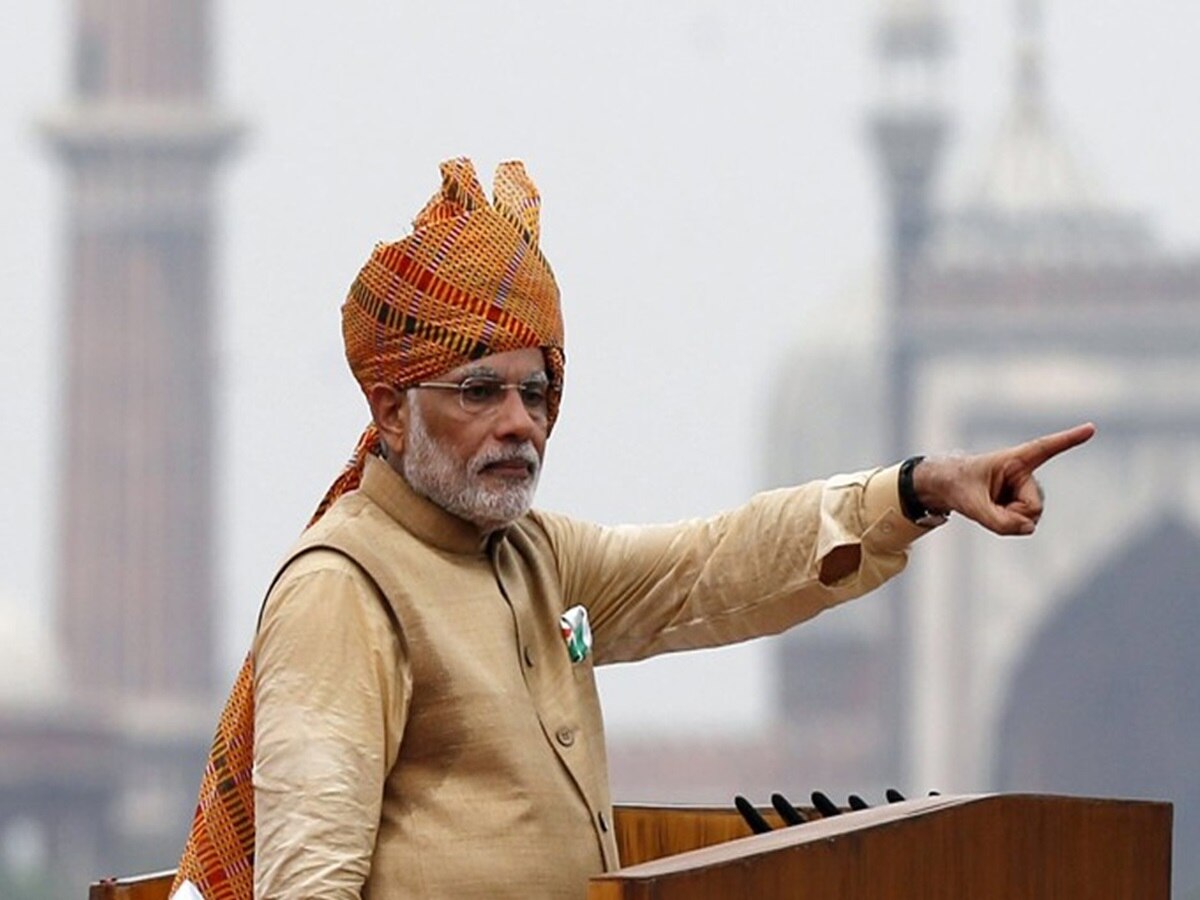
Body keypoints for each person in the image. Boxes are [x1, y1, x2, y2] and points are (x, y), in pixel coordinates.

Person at [172, 158, 1094, 900]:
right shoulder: (344, 591)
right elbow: (309, 883)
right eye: (480, 392)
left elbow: (715, 564)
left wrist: (920, 487)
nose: (519, 424)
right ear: (390, 409)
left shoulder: (535, 560)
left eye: (536, 392)